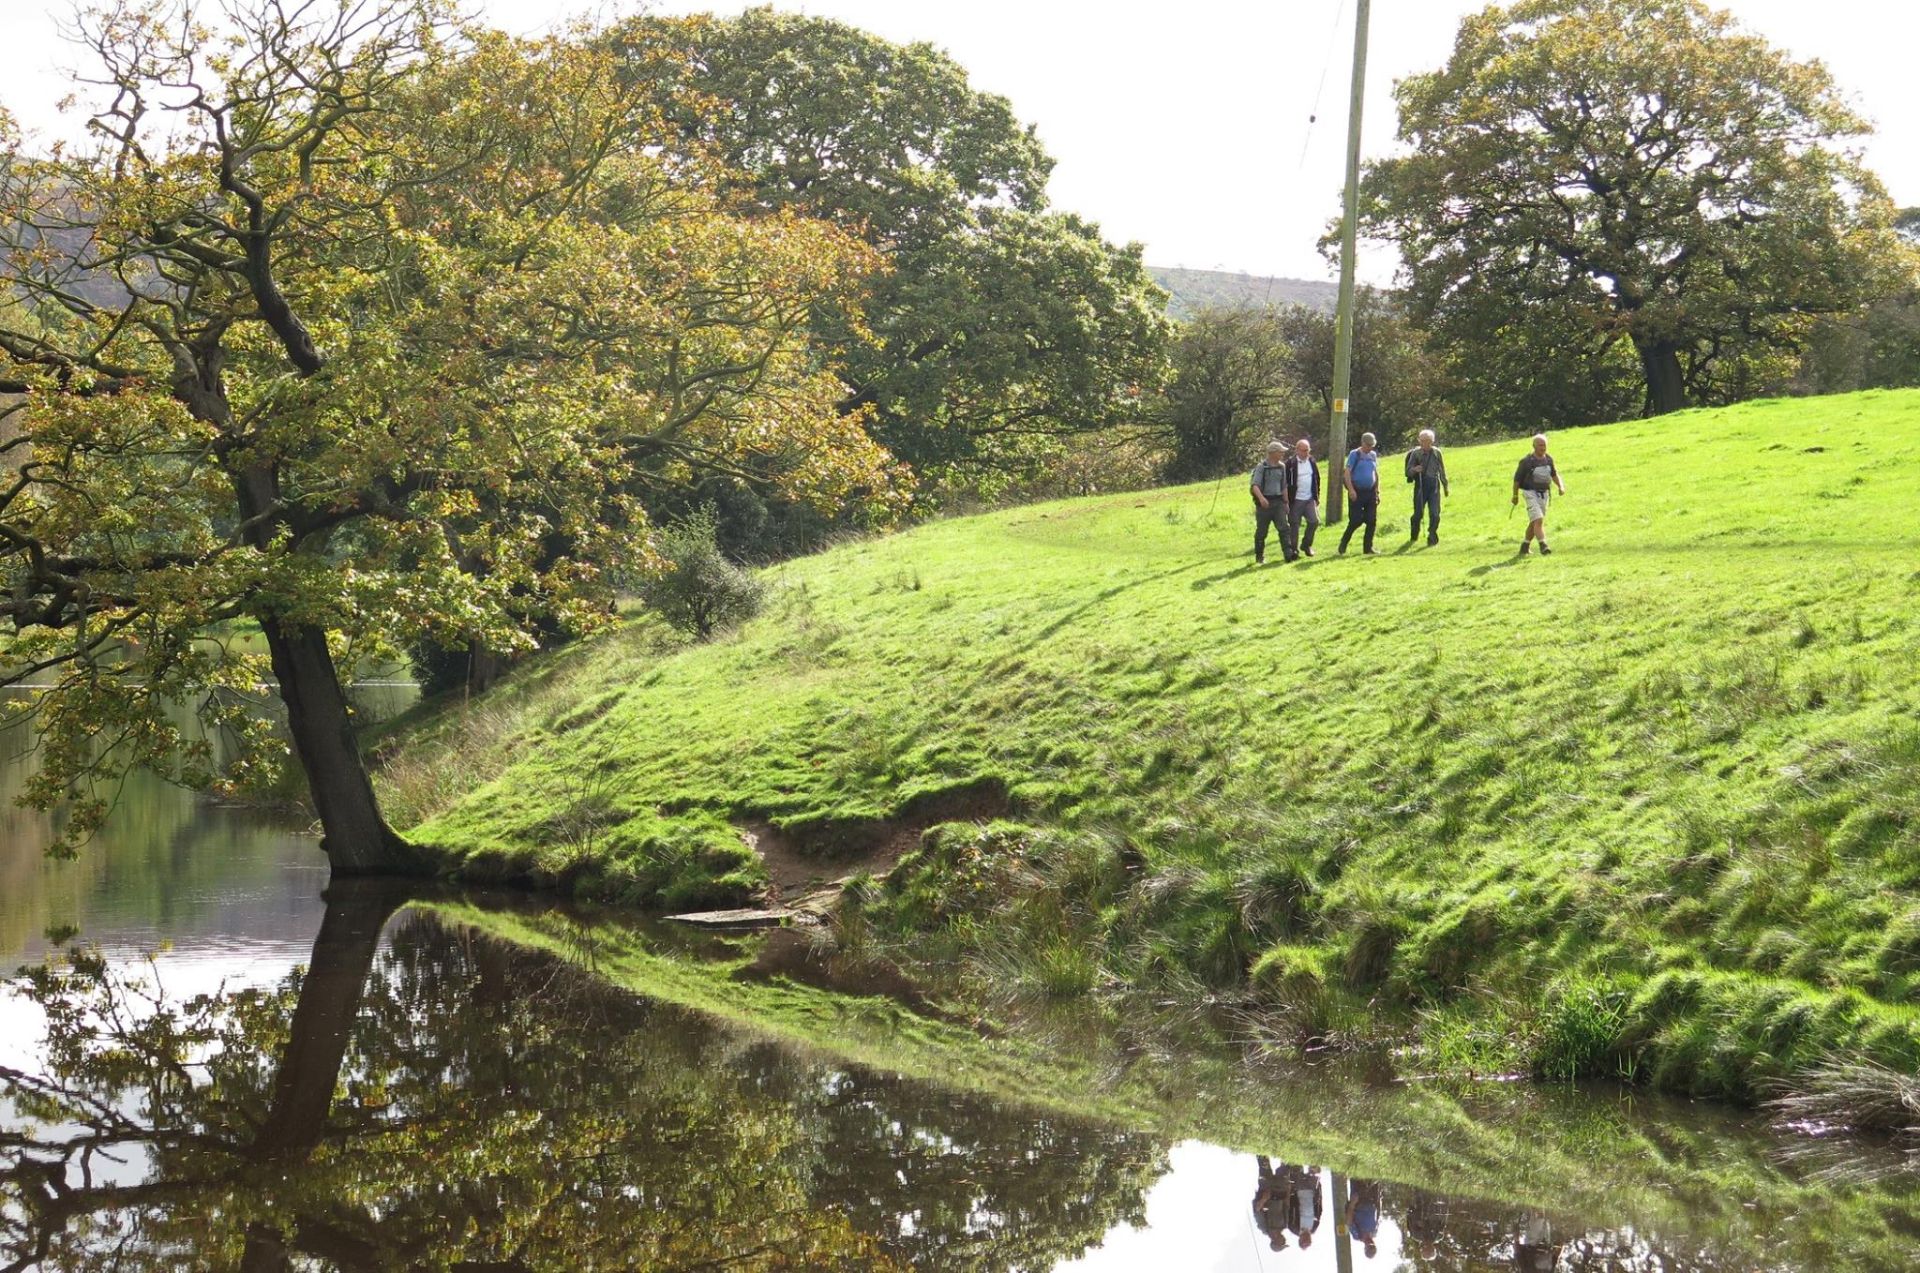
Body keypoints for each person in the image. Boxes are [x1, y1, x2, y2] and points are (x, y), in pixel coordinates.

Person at [1510, 433, 1567, 556]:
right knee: (1539, 519)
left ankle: (1525, 546)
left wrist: (1561, 486)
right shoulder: (1526, 462)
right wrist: (1515, 496)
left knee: (1535, 521)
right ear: (1534, 446)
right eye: (1540, 445)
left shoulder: (1548, 459)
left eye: (1544, 445)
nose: (1543, 448)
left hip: (1544, 494)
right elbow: (1517, 480)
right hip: (1530, 493)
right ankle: (1543, 545)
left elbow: (1554, 475)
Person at [1339, 432, 1382, 555]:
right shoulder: (1354, 454)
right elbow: (1347, 473)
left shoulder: (1373, 455)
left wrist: (1377, 490)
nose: (1370, 448)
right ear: (1363, 443)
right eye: (1368, 445)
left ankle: (1368, 548)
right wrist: (1351, 490)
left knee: (1371, 520)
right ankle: (1344, 542)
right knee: (1356, 520)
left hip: (1370, 491)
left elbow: (1375, 473)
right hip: (1357, 491)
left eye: (1372, 445)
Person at [1404, 429, 1450, 545]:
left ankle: (1432, 535)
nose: (1425, 444)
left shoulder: (1437, 453)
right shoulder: (1415, 453)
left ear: (1432, 441)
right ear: (1419, 441)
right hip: (1420, 486)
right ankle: (1414, 534)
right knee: (1418, 513)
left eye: (1428, 441)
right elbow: (1407, 472)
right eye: (1423, 441)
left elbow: (1442, 470)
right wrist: (1415, 469)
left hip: (1434, 485)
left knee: (1435, 513)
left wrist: (1445, 486)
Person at [1249, 441, 1290, 564]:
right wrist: (1261, 499)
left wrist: (1286, 503)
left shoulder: (1282, 466)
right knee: (1262, 531)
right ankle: (1259, 556)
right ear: (1273, 453)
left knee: (1284, 528)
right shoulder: (1262, 467)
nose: (1283, 454)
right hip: (1264, 504)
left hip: (1278, 502)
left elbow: (1284, 486)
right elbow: (1255, 486)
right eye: (1280, 452)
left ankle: (1288, 554)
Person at [1282, 437, 1320, 560]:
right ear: (1297, 450)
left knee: (1314, 522)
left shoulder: (1312, 461)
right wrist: (1286, 501)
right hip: (1295, 500)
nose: (1306, 453)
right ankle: (1294, 550)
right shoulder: (1290, 464)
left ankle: (1306, 545)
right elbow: (1285, 483)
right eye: (1303, 450)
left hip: (1309, 499)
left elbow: (1317, 479)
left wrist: (1316, 496)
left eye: (1307, 450)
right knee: (1294, 525)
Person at [1251, 1157, 1290, 1253]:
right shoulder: (1284, 1225)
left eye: (1282, 1243)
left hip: (1266, 1189)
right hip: (1280, 1190)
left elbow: (1257, 1210)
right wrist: (1288, 1190)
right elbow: (1286, 1205)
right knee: (1286, 1163)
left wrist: (1264, 1198)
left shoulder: (1264, 1227)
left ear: (1275, 1242)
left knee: (1263, 1162)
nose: (1284, 1240)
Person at [1346, 1177, 1382, 1260]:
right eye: (1373, 1246)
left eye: (1369, 1247)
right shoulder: (1375, 1232)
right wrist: (1379, 1199)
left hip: (1358, 1200)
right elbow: (1378, 1215)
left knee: (1357, 1174)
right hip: (1372, 1198)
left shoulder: (1357, 1235)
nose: (1370, 1244)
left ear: (1365, 1248)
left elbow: (1349, 1222)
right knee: (1372, 1174)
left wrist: (1352, 1204)